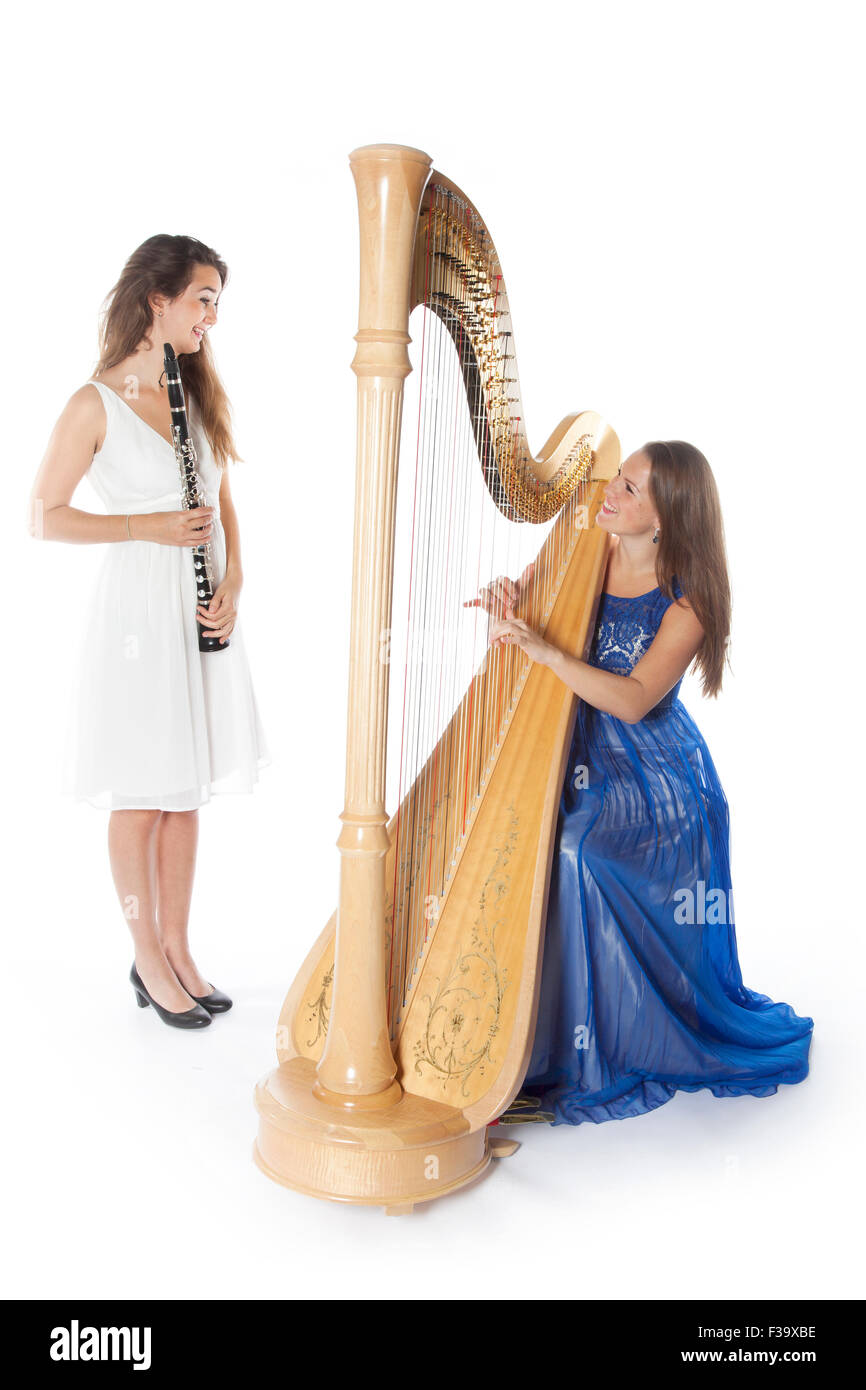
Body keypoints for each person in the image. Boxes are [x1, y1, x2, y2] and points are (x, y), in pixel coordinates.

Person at [480, 440, 813, 1125]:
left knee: (578, 850)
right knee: (520, 836)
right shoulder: (584, 547)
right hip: (568, 740)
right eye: (620, 478)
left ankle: (586, 1050)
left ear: (665, 520)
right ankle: (517, 1037)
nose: (611, 492)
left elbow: (632, 700)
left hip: (649, 770)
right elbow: (532, 628)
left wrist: (544, 650)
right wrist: (513, 607)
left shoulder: (686, 601)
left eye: (632, 490)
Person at [28, 234, 270, 1031]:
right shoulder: (91, 403)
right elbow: (44, 518)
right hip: (138, 616)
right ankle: (145, 955)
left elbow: (224, 504)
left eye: (215, 304)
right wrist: (145, 525)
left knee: (184, 791)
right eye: (202, 300)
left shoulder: (194, 390)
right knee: (141, 795)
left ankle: (178, 947)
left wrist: (234, 583)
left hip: (199, 614)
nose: (210, 318)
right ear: (156, 300)